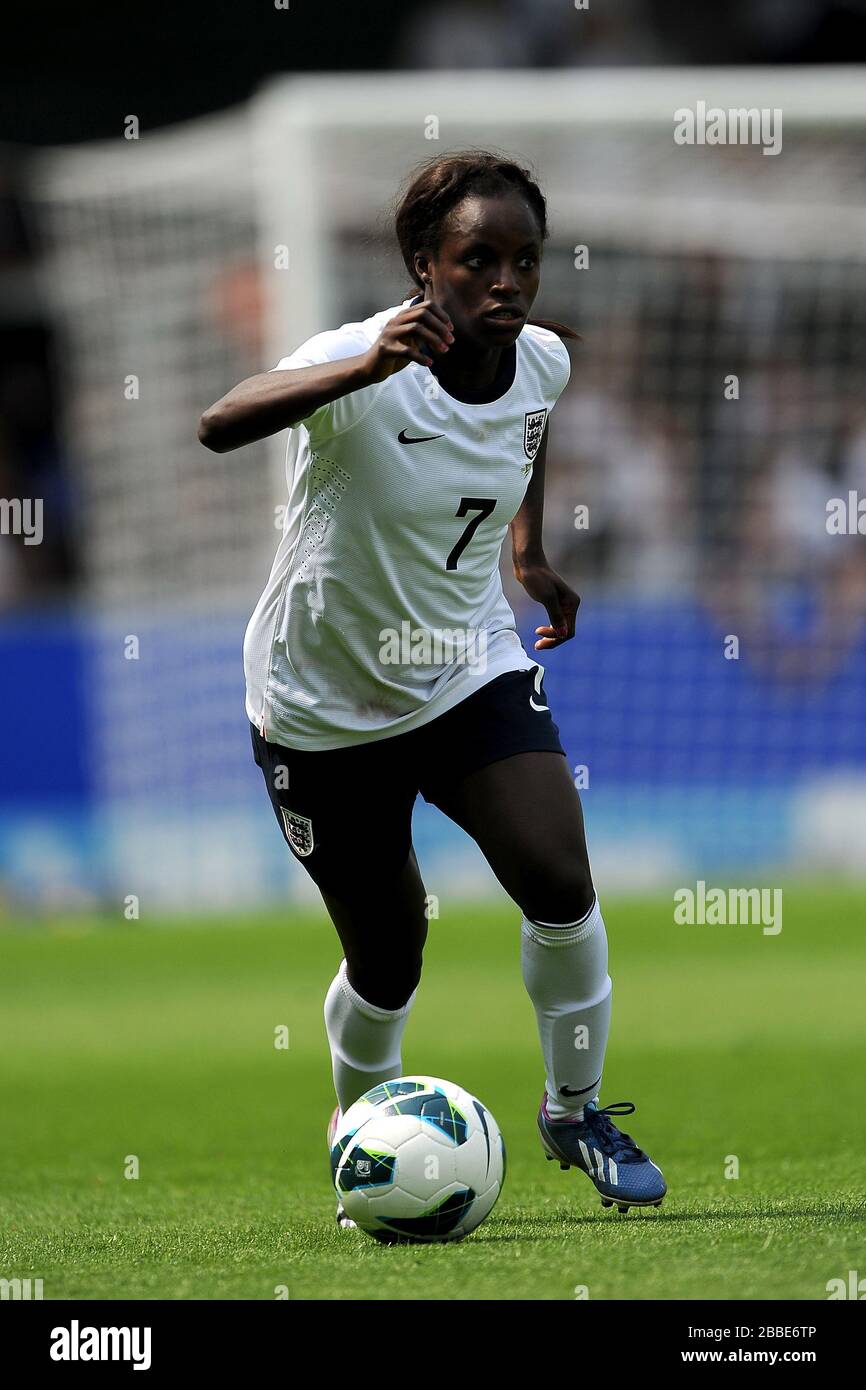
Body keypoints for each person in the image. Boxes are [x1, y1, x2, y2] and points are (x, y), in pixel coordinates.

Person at [198, 150, 665, 1226]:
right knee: (388, 951)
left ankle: (575, 1107)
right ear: (424, 265)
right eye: (477, 259)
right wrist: (356, 370)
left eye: (523, 261)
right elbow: (219, 422)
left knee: (556, 875)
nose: (505, 281)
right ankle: (361, 1135)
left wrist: (528, 551)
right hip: (320, 706)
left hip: (461, 667)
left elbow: (525, 434)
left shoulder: (539, 361)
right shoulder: (359, 362)